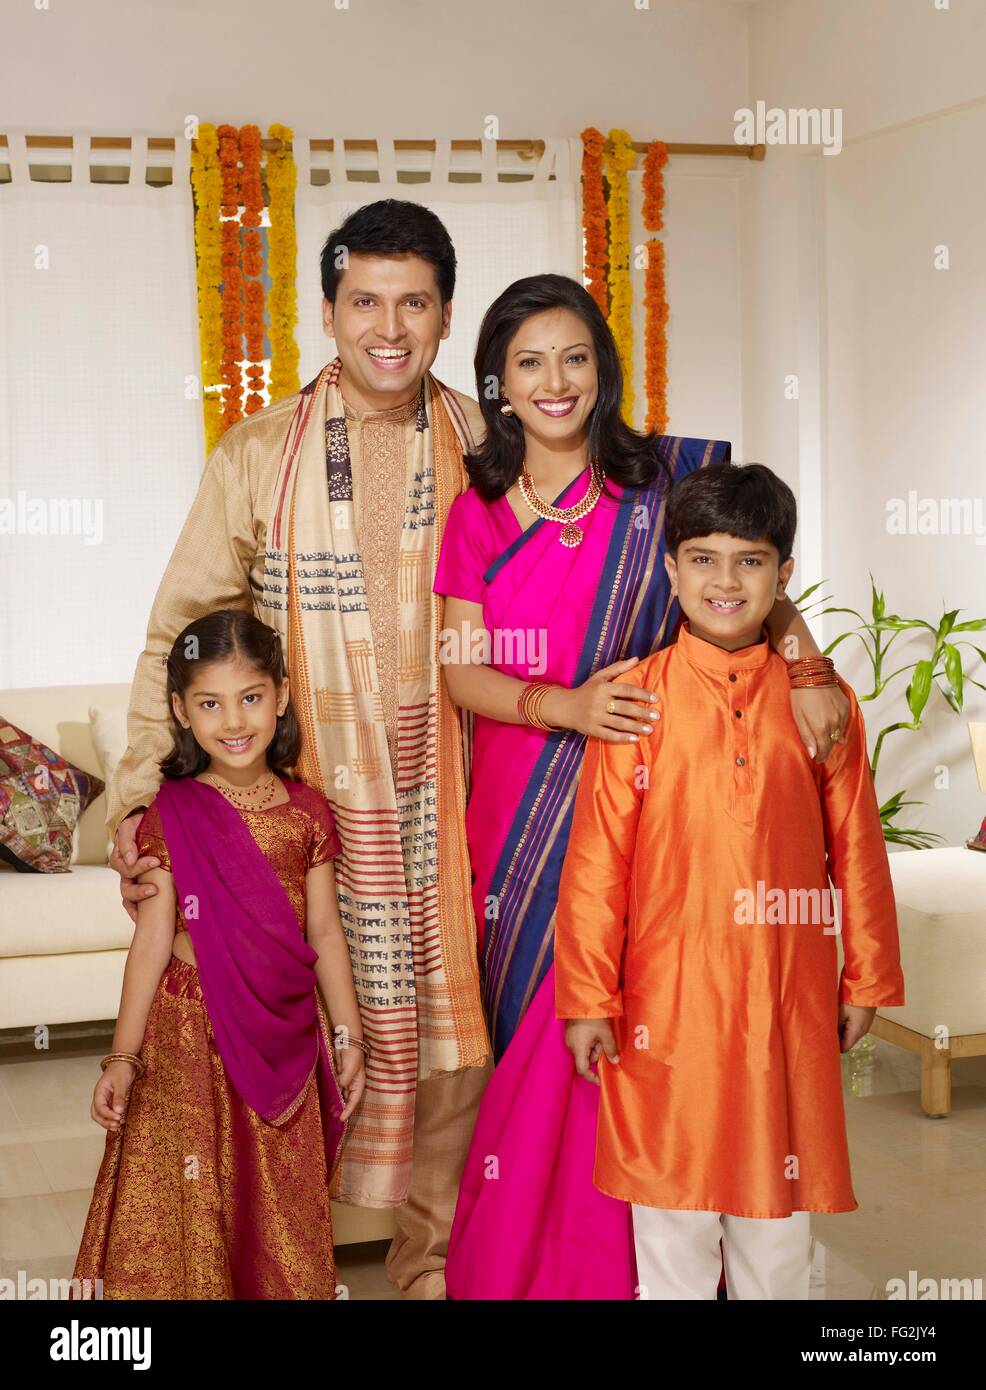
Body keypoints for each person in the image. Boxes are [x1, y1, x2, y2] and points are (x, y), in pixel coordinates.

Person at [436, 275, 853, 1299]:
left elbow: (757, 583)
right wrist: (562, 708)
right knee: (555, 1040)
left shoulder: (666, 482)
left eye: (574, 357)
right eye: (527, 362)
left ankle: (692, 1263)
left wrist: (802, 671)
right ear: (496, 381)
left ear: (603, 367)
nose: (554, 382)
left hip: (671, 792)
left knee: (660, 1030)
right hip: (528, 802)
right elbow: (458, 666)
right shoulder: (478, 509)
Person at [103, 200, 491, 1297]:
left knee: (452, 1053)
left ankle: (429, 1269)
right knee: (279, 1052)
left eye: (412, 301)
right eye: (363, 299)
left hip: (450, 799)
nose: (387, 324)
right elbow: (177, 632)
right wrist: (141, 803)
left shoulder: (486, 446)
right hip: (298, 815)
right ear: (328, 312)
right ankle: (272, 1263)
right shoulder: (257, 453)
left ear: (444, 314)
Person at [555, 462, 905, 1300]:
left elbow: (859, 845)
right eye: (702, 559)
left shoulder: (822, 706)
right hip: (665, 1009)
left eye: (750, 561)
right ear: (670, 570)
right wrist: (588, 998)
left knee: (778, 1236)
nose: (724, 580)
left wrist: (866, 977)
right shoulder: (635, 701)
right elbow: (597, 863)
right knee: (671, 1227)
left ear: (783, 576)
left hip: (786, 998)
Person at [73, 609, 363, 1298]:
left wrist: (348, 1035)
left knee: (274, 1201)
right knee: (188, 1192)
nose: (233, 721)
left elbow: (325, 935)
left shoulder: (308, 814)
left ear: (282, 697)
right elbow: (150, 942)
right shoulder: (172, 812)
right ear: (181, 711)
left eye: (251, 698)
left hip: (281, 1036)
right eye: (210, 703)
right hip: (184, 1035)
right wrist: (122, 1055)